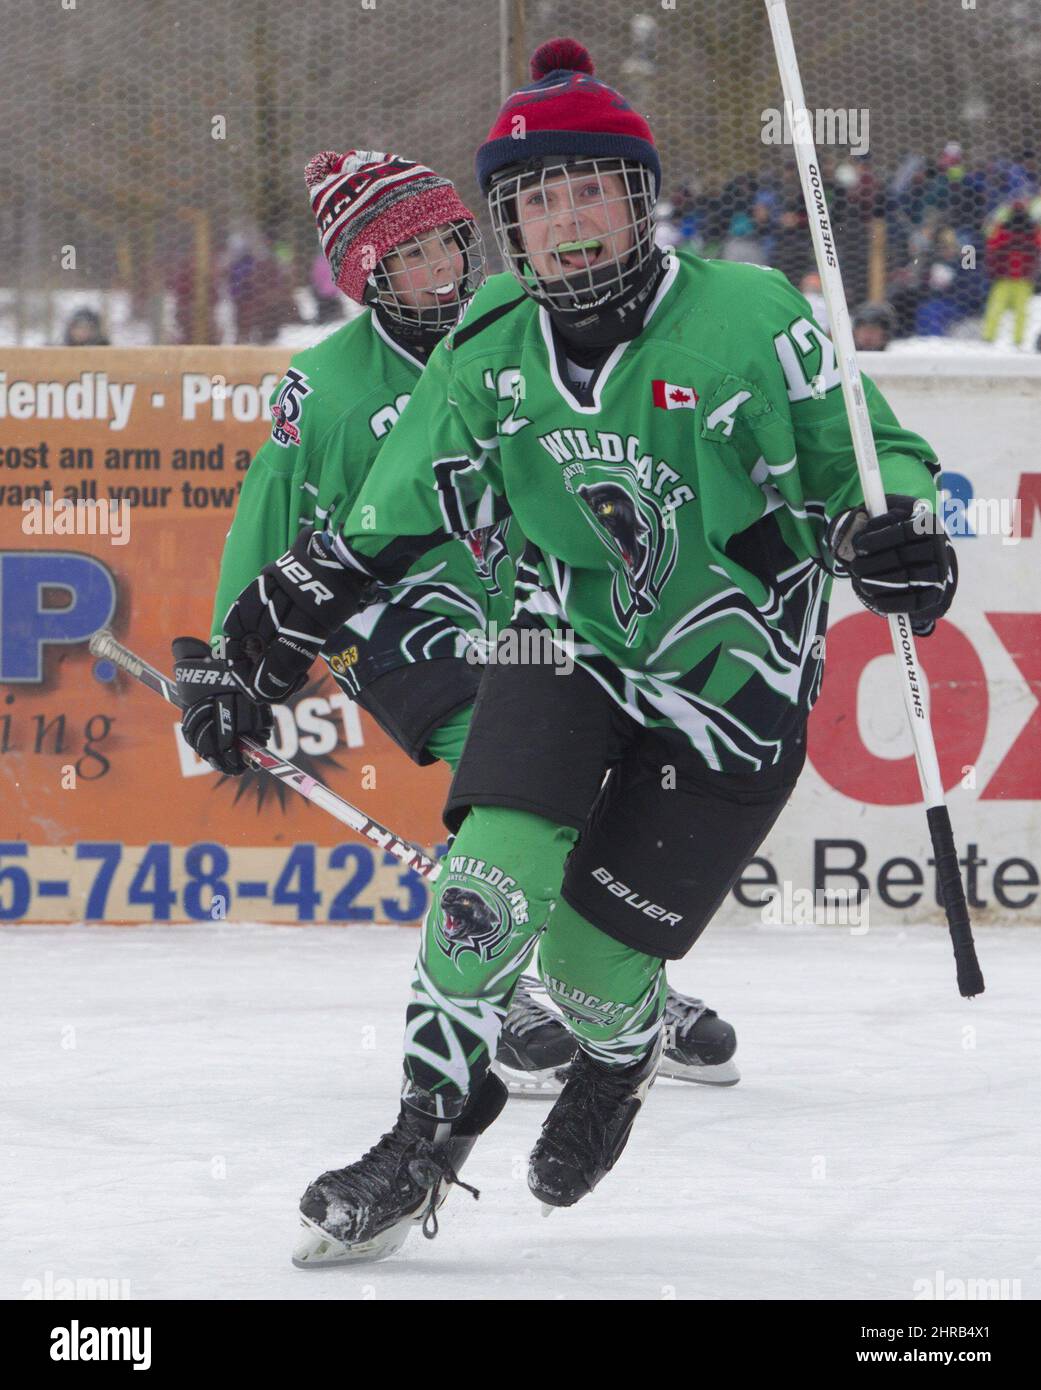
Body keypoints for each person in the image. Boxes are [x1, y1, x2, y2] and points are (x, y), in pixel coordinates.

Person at [221, 39, 956, 1265]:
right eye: (534, 198)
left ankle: (619, 1054)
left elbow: (867, 470)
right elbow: (395, 510)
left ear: (639, 196)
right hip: (560, 643)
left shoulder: (748, 319)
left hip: (732, 687)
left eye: (588, 190)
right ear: (506, 222)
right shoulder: (490, 347)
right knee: (484, 885)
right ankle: (420, 1142)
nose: (564, 221)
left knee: (591, 966)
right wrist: (290, 599)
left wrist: (899, 537)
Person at [174, 147, 736, 1111]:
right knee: (510, 771)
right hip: (393, 622)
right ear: (365, 276)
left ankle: (609, 979)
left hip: (521, 606)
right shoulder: (331, 389)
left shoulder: (514, 327)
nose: (440, 273)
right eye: (411, 259)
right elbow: (268, 521)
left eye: (449, 247)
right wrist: (228, 663)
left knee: (588, 780)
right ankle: (507, 992)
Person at [981, 202, 1041, 348]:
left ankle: (989, 336)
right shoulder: (1032, 232)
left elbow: (991, 243)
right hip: (1020, 277)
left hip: (1007, 276)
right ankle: (1017, 339)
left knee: (997, 308)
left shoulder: (1003, 230)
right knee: (1020, 312)